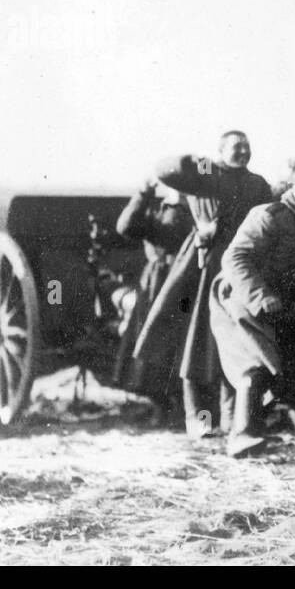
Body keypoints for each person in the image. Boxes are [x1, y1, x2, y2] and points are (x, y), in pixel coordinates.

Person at [133, 131, 273, 438]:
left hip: (241, 267)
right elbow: (168, 170)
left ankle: (229, 418)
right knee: (196, 342)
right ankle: (197, 418)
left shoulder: (257, 184)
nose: (244, 152)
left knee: (234, 342)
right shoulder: (209, 174)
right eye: (237, 147)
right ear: (221, 151)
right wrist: (198, 163)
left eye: (248, 146)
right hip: (203, 267)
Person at [209, 161, 295, 457]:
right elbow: (235, 259)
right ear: (292, 187)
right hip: (238, 295)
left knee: (294, 353)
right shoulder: (268, 215)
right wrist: (260, 296)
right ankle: (242, 435)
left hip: (278, 299)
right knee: (257, 362)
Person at [112, 177, 194, 416]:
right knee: (154, 340)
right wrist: (142, 195)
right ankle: (159, 402)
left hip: (189, 282)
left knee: (183, 339)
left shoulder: (199, 207)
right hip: (159, 283)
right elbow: (126, 227)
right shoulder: (156, 210)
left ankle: (180, 401)